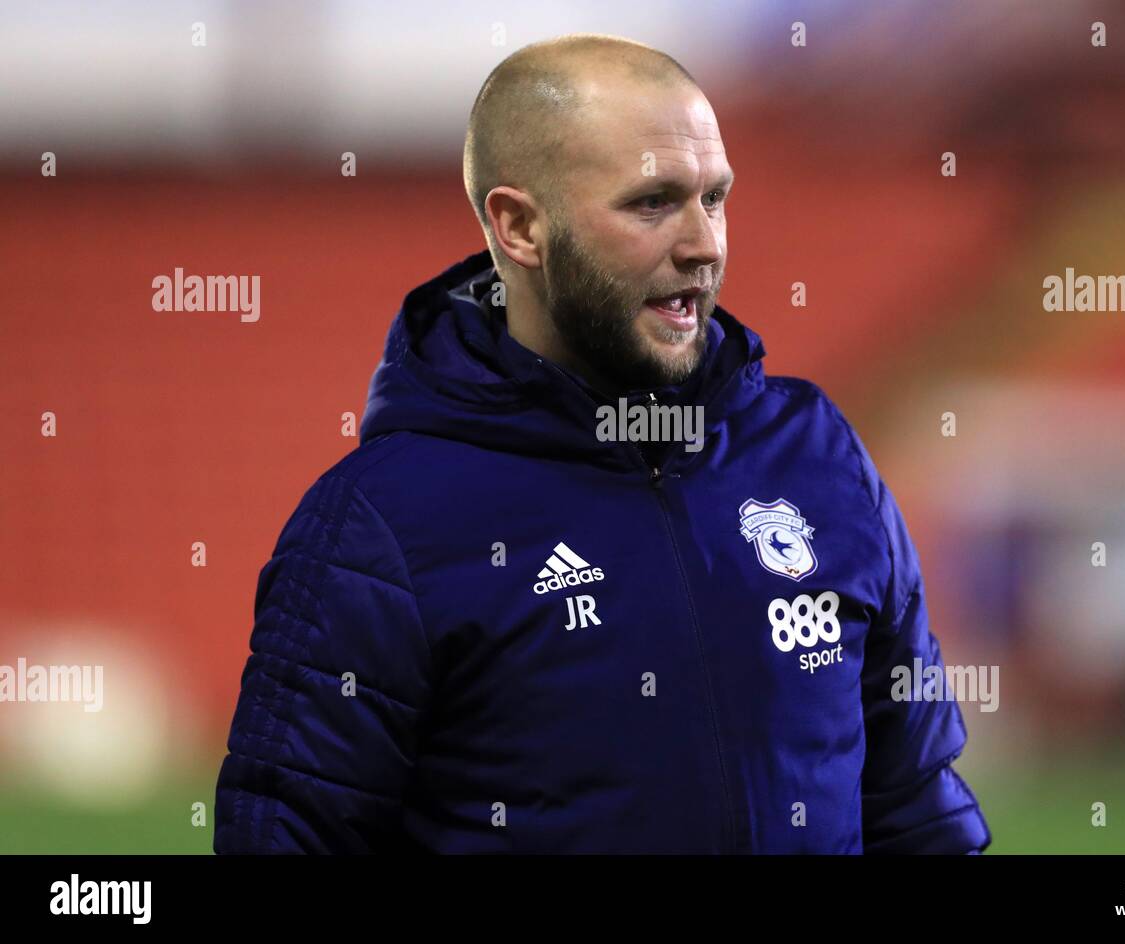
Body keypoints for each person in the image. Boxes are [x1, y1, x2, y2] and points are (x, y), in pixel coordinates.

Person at [213, 33, 991, 854]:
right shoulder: (379, 527)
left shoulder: (819, 456)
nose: (704, 245)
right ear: (517, 226)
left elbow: (917, 809)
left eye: (715, 198)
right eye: (653, 202)